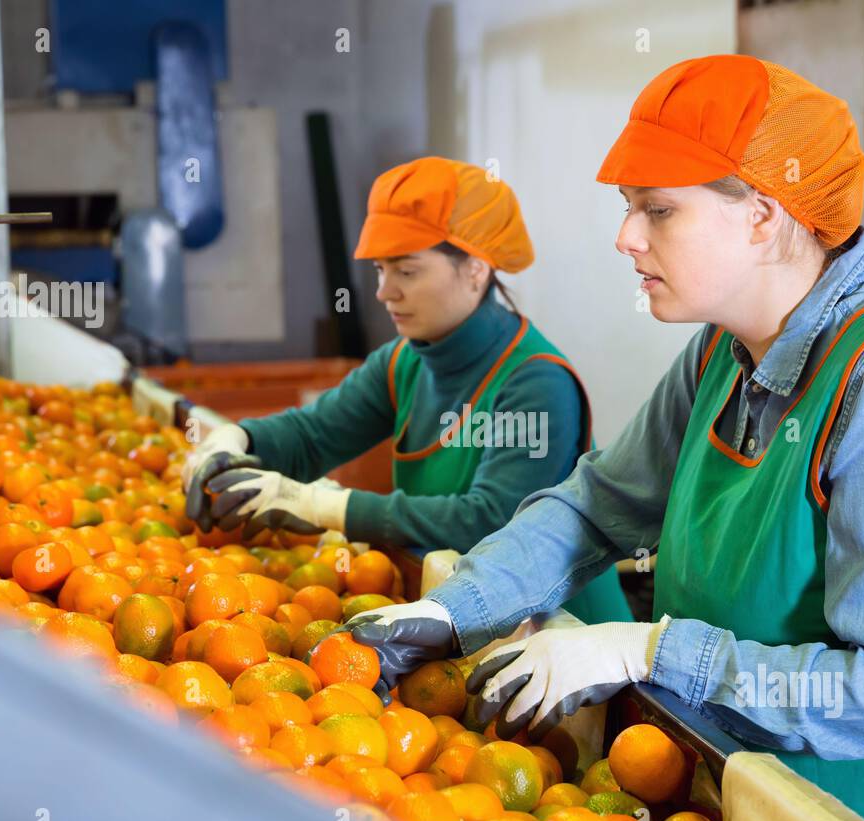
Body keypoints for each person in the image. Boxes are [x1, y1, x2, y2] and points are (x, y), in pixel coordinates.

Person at [343, 56, 864, 821]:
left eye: (658, 211)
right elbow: (597, 503)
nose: (624, 237)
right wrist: (456, 606)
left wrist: (647, 650)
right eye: (627, 208)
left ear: (764, 216)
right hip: (796, 813)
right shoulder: (727, 349)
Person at [181, 156, 632, 625]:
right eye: (380, 270)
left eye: (407, 271)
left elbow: (492, 520)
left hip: (561, 642)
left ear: (476, 269)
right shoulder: (405, 361)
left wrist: (323, 505)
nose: (384, 291)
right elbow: (314, 435)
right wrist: (234, 442)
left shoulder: (536, 381)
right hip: (467, 618)